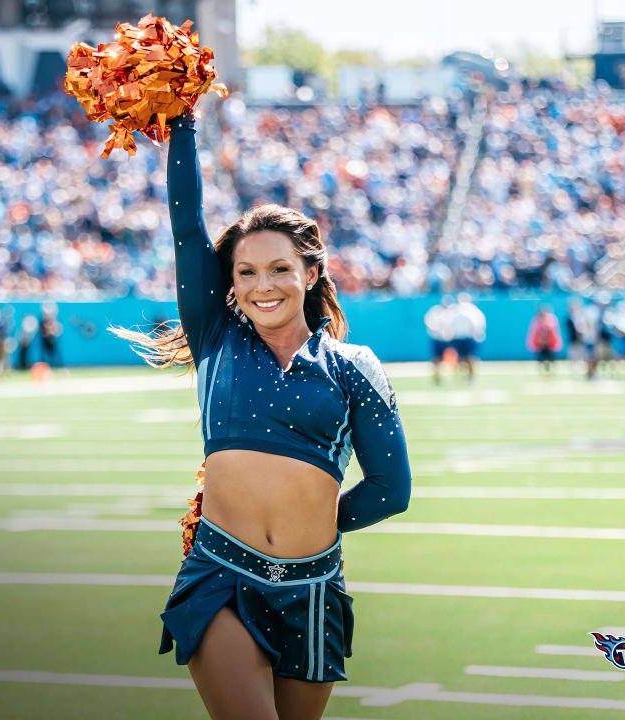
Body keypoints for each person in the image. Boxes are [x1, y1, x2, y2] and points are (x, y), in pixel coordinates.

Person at [115, 116, 411, 720]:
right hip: (221, 574)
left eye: (280, 269)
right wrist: (181, 126)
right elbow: (185, 225)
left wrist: (314, 525)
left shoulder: (354, 365)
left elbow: (392, 489)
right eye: (245, 272)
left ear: (311, 272)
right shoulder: (217, 339)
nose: (262, 285)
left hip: (314, 587)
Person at [449, 293, 485, 383]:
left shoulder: (456, 310)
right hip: (467, 337)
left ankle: (467, 375)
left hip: (461, 337)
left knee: (465, 358)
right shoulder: (471, 310)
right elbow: (478, 323)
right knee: (469, 358)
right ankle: (470, 376)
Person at [526, 304, 564, 375]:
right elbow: (535, 333)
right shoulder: (537, 320)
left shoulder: (551, 319)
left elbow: (553, 332)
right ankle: (542, 370)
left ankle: (551, 370)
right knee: (541, 358)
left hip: (549, 343)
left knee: (551, 358)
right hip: (541, 344)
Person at [423, 296, 453, 385]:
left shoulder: (451, 312)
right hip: (437, 338)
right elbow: (429, 322)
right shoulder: (435, 311)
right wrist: (437, 330)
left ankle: (455, 376)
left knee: (454, 358)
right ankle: (436, 376)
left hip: (448, 339)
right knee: (436, 359)